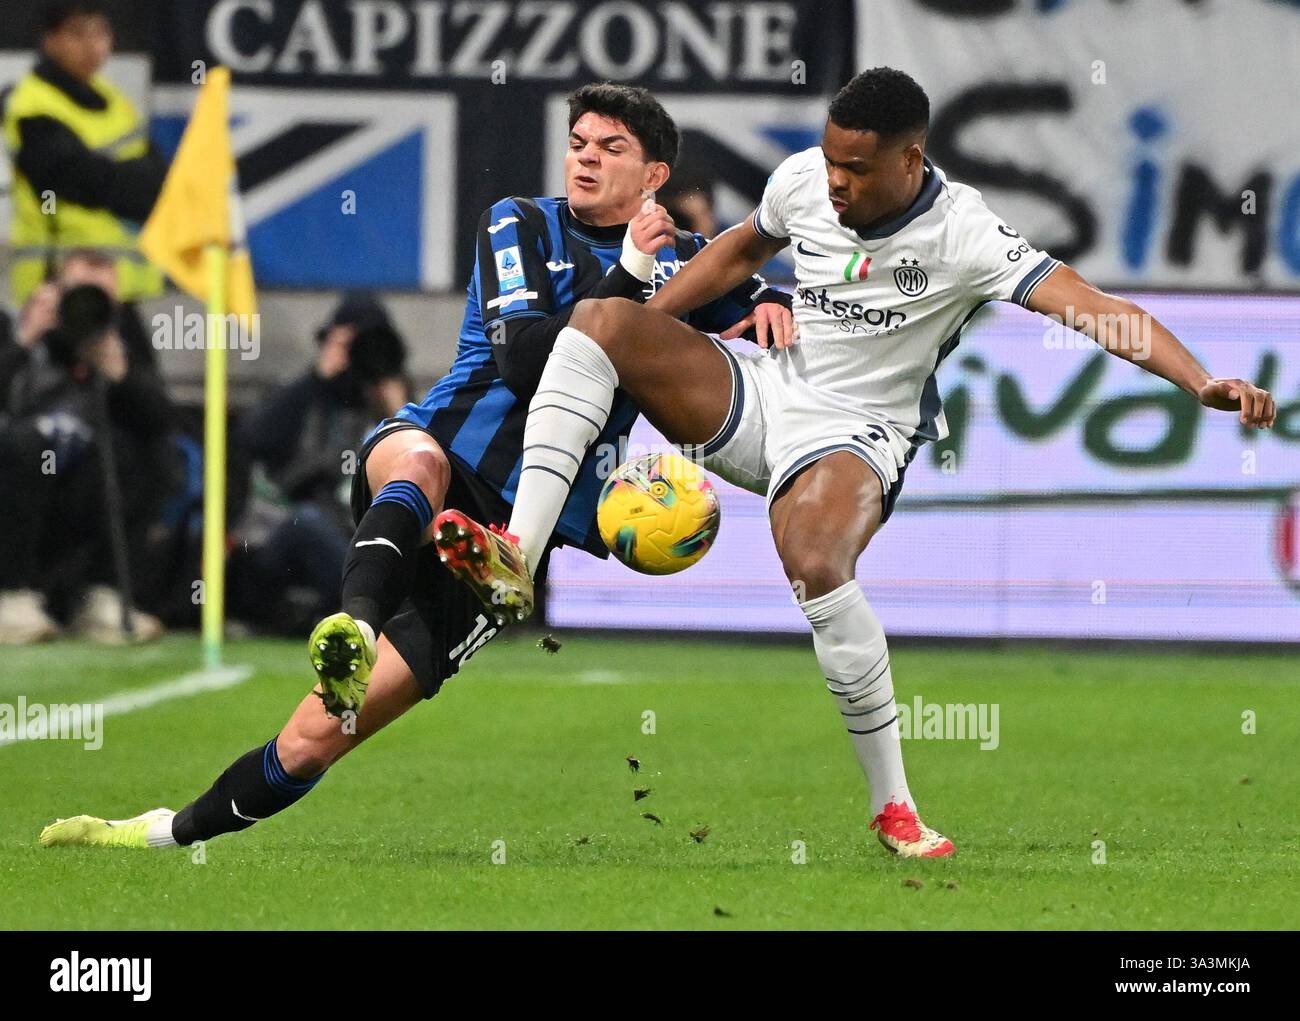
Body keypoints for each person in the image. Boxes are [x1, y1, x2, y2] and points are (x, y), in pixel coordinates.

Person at [430, 68, 1277, 860]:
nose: (835, 182)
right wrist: (649, 315)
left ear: (911, 159)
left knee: (814, 561)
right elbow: (735, 254)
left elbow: (1097, 310)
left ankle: (892, 804)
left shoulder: (967, 234)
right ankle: (520, 555)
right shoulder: (804, 178)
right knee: (601, 324)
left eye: (857, 169)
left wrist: (1200, 378)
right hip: (762, 393)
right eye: (831, 159)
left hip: (858, 432)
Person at [39, 83, 793, 850]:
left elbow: (745, 282)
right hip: (443, 445)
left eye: (611, 148)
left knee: (311, 741)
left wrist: (771, 301)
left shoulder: (681, 261)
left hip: (515, 545)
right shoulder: (519, 222)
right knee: (422, 462)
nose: (586, 159)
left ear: (655, 176)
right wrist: (628, 272)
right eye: (578, 143)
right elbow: (531, 359)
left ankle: (157, 834)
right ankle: (355, 627)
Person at [229, 294, 412, 636]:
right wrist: (317, 378)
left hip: (364, 532)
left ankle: (375, 607)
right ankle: (379, 606)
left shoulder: (393, 401)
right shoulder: (309, 397)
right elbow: (251, 438)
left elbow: (422, 470)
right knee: (308, 524)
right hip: (301, 527)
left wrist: (397, 407)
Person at [1, 0, 165, 307]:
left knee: (136, 357)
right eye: (77, 34)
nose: (93, 46)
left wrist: (130, 184)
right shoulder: (32, 108)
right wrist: (130, 183)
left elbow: (158, 176)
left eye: (101, 33)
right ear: (49, 40)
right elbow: (85, 182)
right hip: (58, 287)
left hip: (117, 282)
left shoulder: (112, 98)